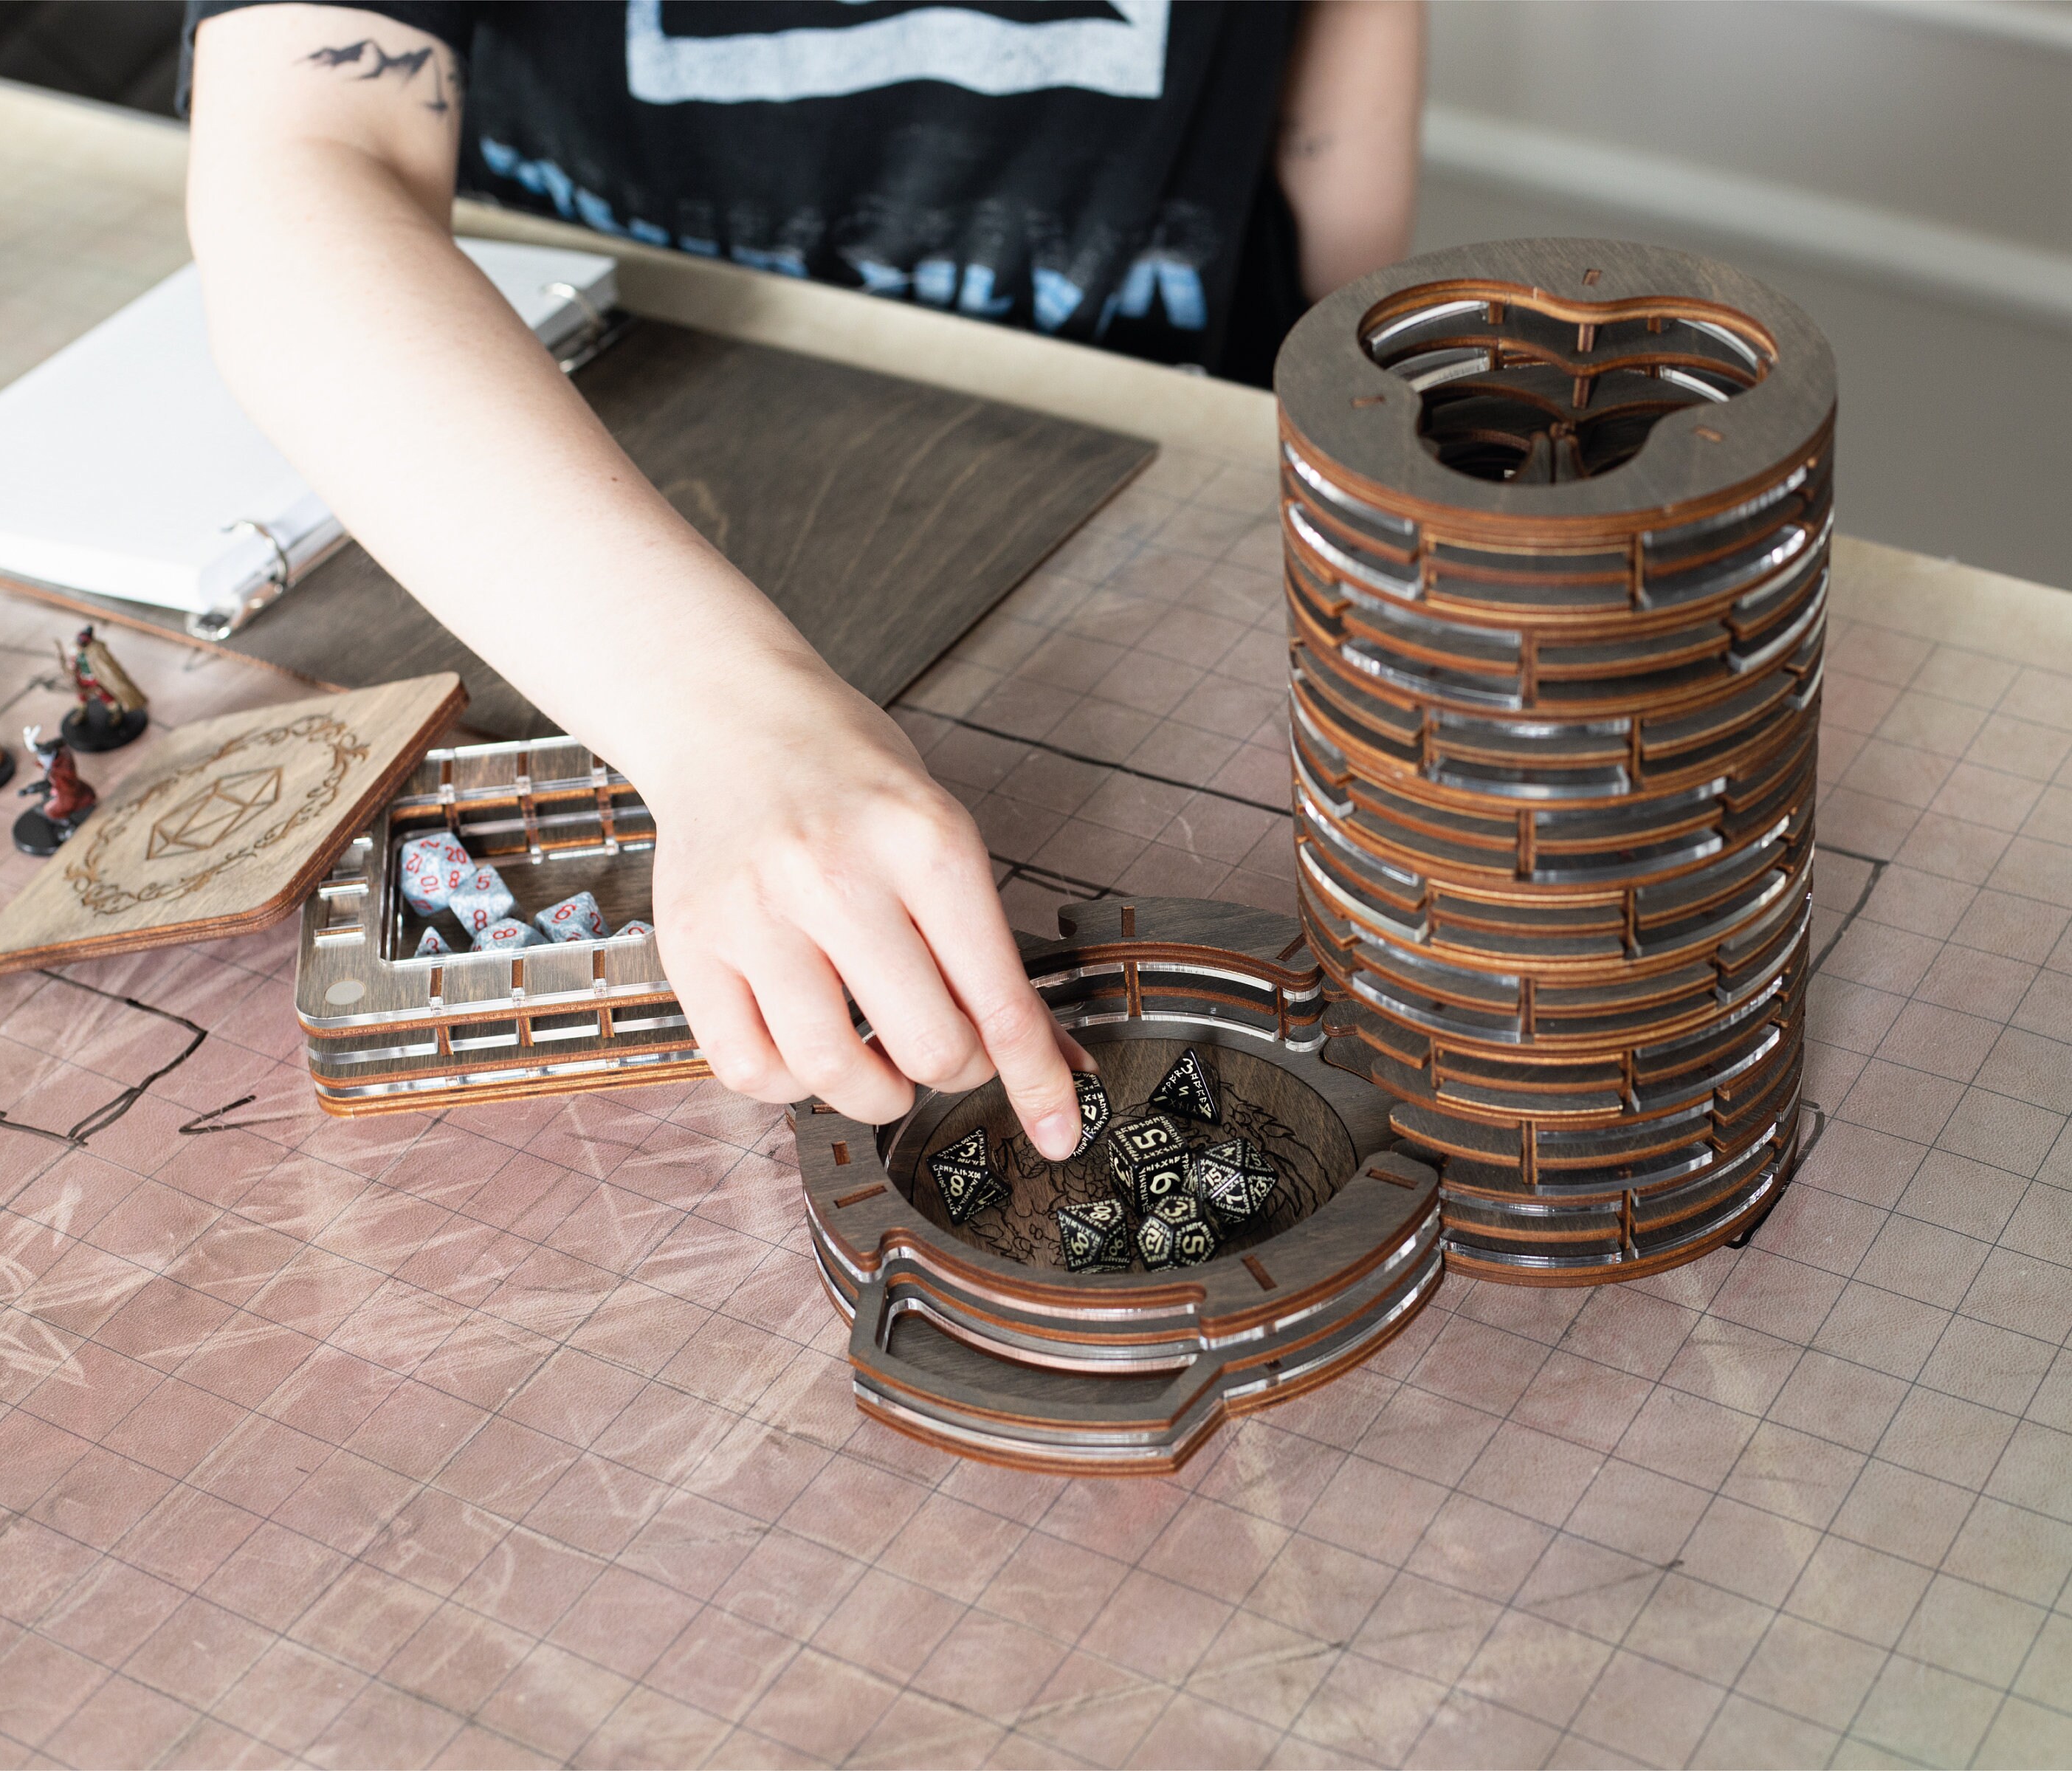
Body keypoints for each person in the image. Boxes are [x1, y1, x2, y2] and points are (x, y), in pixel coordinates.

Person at [182, 1, 1422, 1158]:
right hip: (559, 481)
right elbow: (299, 169)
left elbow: (1339, 130)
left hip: (1152, 423)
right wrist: (725, 725)